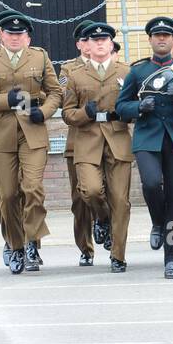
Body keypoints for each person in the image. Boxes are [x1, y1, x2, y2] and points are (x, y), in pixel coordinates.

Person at [0, 9, 62, 273]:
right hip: (1, 133)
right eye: (10, 33)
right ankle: (14, 243)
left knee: (32, 188)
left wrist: (43, 112)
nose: (15, 38)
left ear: (27, 37)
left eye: (20, 34)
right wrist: (5, 101)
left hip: (33, 132)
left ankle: (31, 242)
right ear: (0, 34)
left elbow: (56, 92)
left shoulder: (40, 57)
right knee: (8, 195)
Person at [116, 16, 173, 279]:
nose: (162, 39)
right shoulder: (137, 71)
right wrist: (138, 108)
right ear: (150, 40)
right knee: (150, 183)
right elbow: (120, 108)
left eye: (166, 36)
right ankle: (158, 222)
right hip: (147, 138)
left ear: (172, 40)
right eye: (157, 36)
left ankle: (172, 258)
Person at [59, 22, 133, 272]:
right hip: (87, 140)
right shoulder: (75, 75)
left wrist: (130, 112)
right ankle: (102, 219)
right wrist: (84, 113)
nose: (100, 43)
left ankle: (118, 255)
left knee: (121, 200)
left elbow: (135, 105)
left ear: (111, 44)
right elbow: (67, 113)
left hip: (118, 138)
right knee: (89, 191)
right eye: (94, 40)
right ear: (86, 46)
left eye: (104, 40)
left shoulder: (126, 71)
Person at [62, 20, 96, 265]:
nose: (88, 44)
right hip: (78, 139)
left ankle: (108, 231)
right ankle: (85, 247)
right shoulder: (68, 70)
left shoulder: (114, 64)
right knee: (80, 198)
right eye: (84, 40)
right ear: (78, 44)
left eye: (92, 39)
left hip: (109, 140)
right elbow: (66, 103)